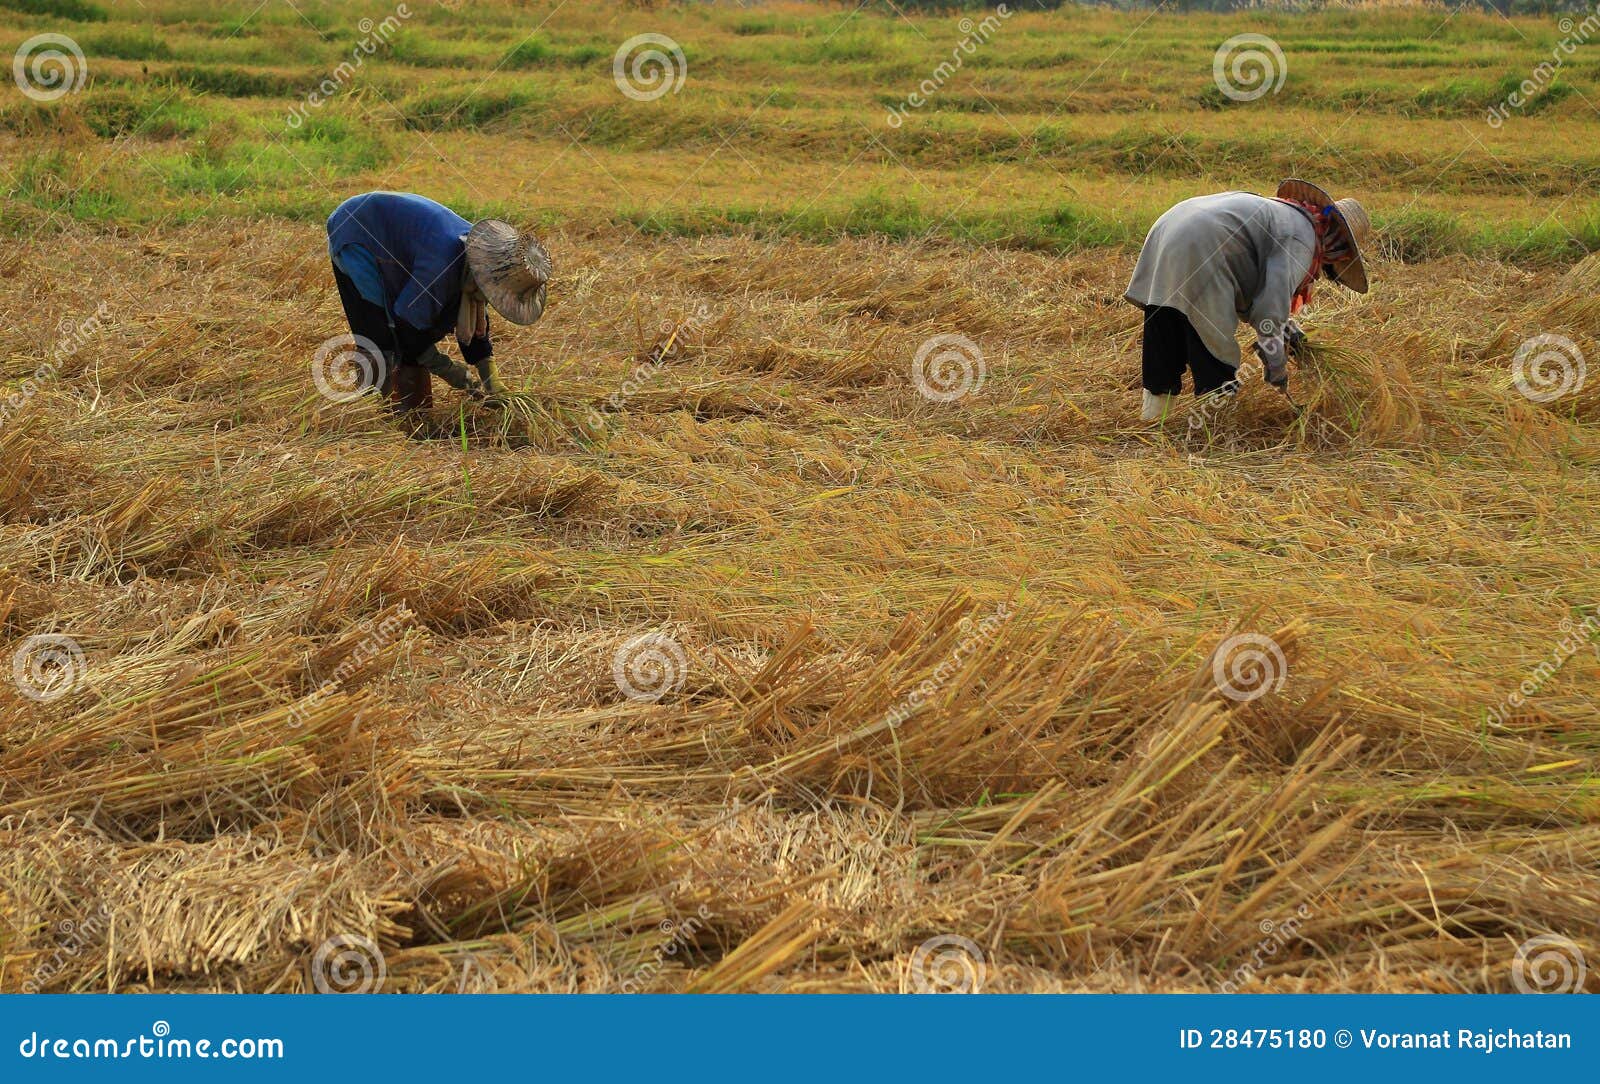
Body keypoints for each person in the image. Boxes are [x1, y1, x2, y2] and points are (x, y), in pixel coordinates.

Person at [1125, 178, 1371, 422]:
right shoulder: (1303, 239)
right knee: (1215, 355)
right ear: (1338, 244)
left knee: (1164, 333)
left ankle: (1152, 424)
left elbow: (1248, 278)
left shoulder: (1282, 213)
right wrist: (1277, 366)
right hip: (1204, 244)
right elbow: (1269, 308)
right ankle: (1213, 430)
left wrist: (1283, 329)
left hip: (1168, 227)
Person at [325, 191, 551, 410]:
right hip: (357, 229)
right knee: (380, 335)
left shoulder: (476, 265)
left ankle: (413, 414)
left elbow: (474, 319)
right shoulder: (441, 267)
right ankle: (374, 415)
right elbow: (407, 326)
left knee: (423, 327)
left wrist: (491, 381)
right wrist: (447, 369)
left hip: (403, 239)